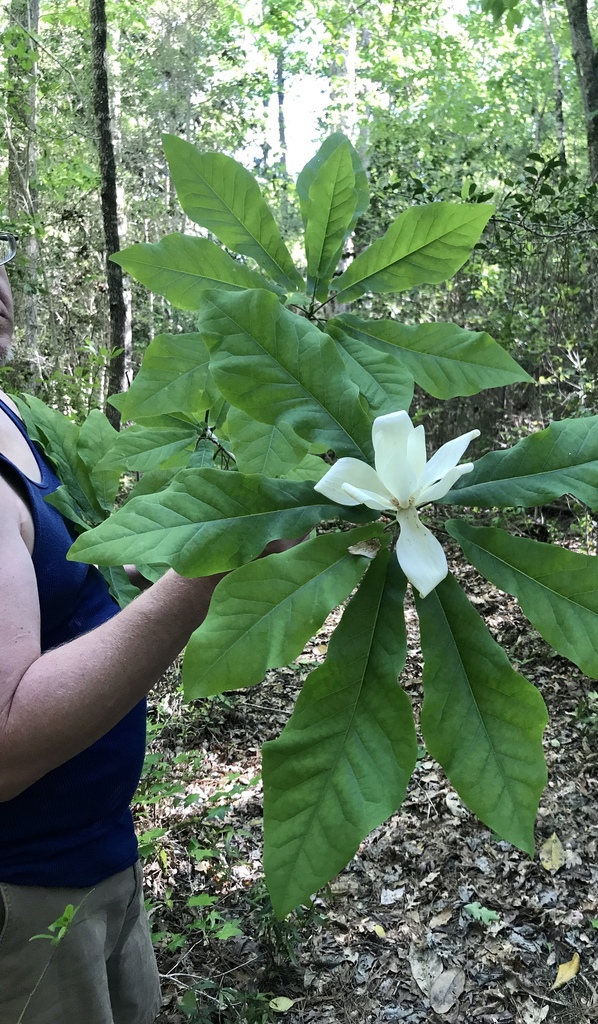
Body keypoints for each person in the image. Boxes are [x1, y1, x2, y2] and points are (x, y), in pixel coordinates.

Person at [0, 253, 287, 1023]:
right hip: (26, 897)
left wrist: (140, 553)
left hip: (95, 859)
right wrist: (202, 578)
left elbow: (52, 572)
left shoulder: (10, 414)